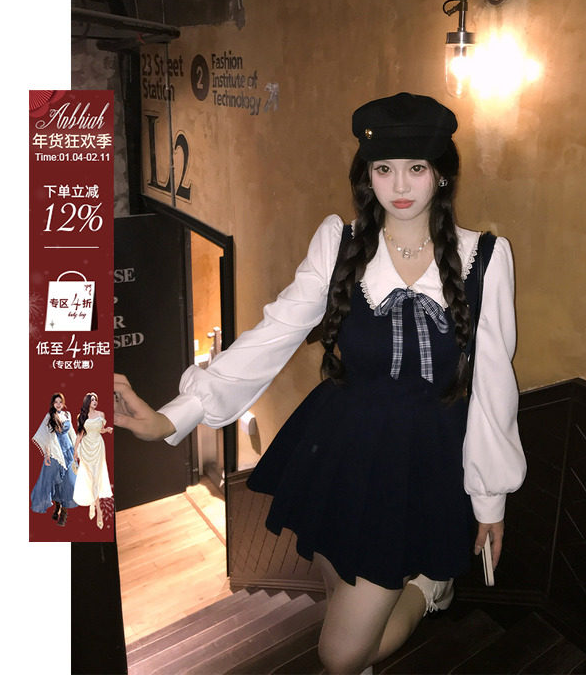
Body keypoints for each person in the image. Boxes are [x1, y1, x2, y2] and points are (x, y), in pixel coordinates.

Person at [114, 92, 526, 674]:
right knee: (341, 596)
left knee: (340, 653)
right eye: (383, 169)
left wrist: (490, 499)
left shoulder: (485, 257)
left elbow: (493, 389)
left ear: (441, 173)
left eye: (416, 168)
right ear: (367, 174)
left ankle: (428, 588)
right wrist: (174, 416)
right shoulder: (339, 243)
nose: (399, 186)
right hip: (335, 450)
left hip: (422, 460)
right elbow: (274, 333)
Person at [30, 392, 78, 526]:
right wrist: (47, 456)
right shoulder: (49, 417)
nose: (58, 404)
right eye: (56, 402)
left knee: (69, 483)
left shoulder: (67, 415)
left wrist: (76, 451)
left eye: (60, 402)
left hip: (68, 452)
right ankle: (57, 507)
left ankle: (64, 513)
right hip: (55, 454)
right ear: (52, 403)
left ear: (63, 403)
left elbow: (72, 433)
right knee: (56, 482)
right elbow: (45, 438)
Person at [72, 392, 113, 529]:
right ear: (87, 402)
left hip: (98, 448)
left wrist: (106, 430)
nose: (95, 401)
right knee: (90, 477)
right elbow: (79, 434)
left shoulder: (101, 414)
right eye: (92, 399)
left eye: (96, 399)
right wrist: (75, 451)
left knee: (96, 477)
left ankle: (98, 510)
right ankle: (93, 503)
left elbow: (100, 430)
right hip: (86, 448)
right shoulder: (81, 416)